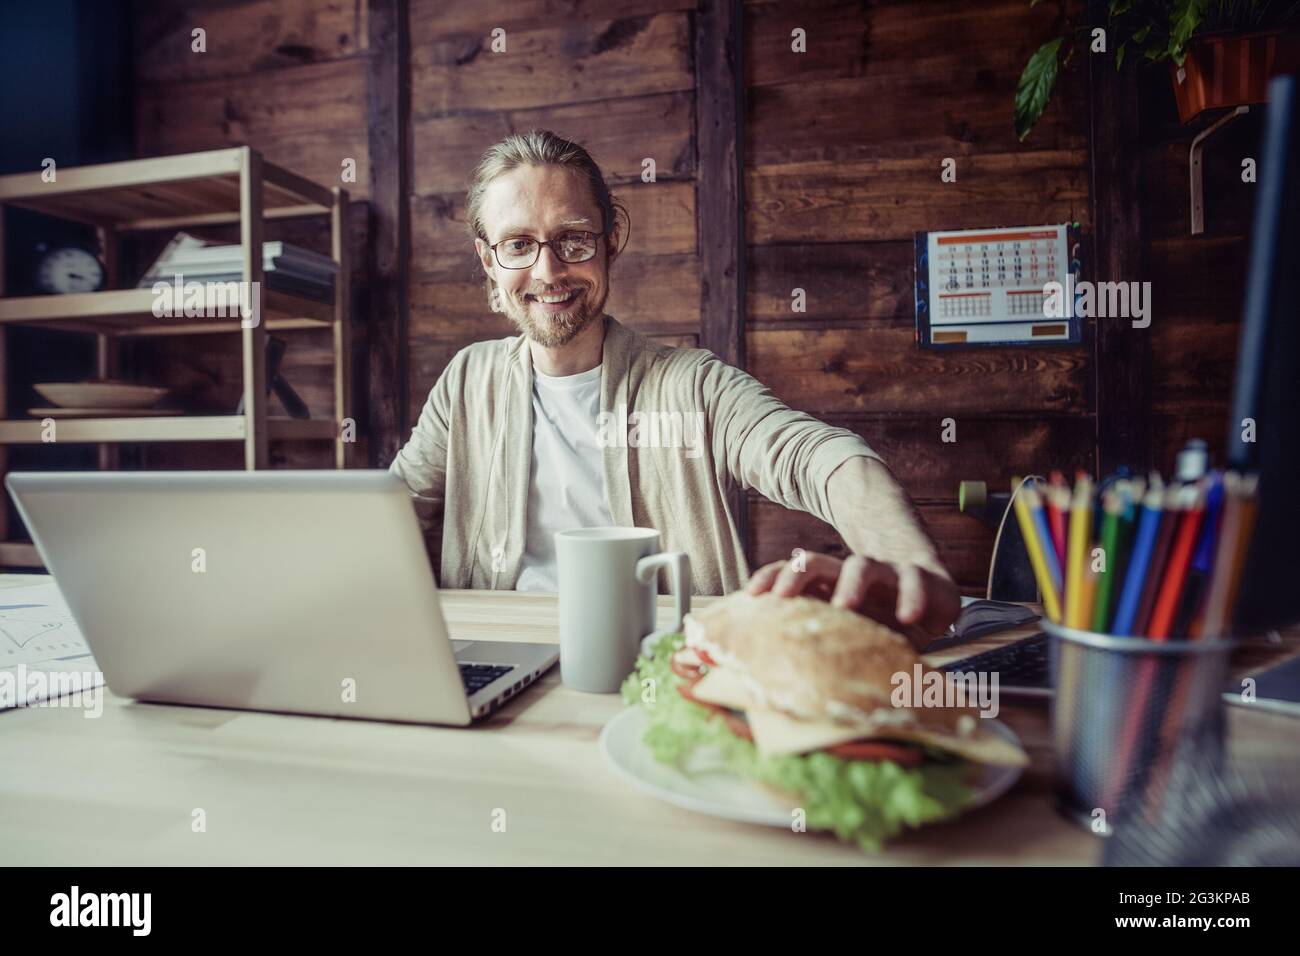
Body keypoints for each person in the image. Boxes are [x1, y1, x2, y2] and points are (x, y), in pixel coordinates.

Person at [390, 129, 959, 648]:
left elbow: (822, 458)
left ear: (612, 240)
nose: (548, 272)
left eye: (573, 239)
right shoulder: (467, 380)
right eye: (518, 245)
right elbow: (392, 510)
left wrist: (910, 564)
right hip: (494, 654)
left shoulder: (692, 384)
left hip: (661, 670)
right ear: (488, 259)